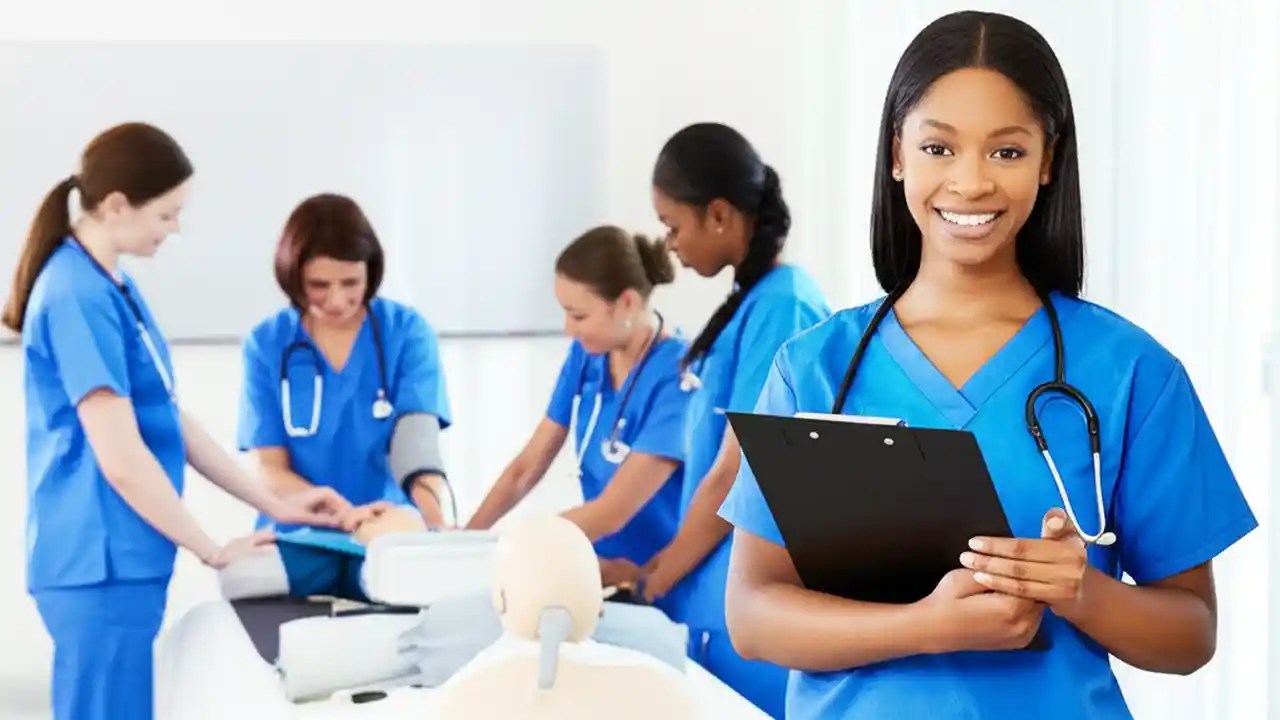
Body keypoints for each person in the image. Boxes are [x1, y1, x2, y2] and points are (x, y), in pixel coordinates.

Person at [717, 11, 1260, 720]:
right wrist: (929, 626)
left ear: (1048, 159)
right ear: (897, 154)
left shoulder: (1132, 372)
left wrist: (1083, 594)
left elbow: (1192, 634)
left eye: (1005, 152)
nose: (970, 183)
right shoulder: (815, 367)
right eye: (939, 147)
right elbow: (753, 615)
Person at [3, 122, 344, 720]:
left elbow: (169, 422)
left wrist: (277, 502)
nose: (175, 229)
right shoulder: (76, 293)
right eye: (166, 214)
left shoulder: (113, 287)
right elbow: (122, 458)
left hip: (124, 559)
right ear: (115, 206)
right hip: (97, 561)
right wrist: (211, 549)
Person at [638, 122, 832, 719]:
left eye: (674, 227)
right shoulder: (751, 304)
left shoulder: (785, 303)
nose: (668, 244)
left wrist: (655, 578)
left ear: (719, 215)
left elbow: (735, 471)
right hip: (712, 597)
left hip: (756, 598)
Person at [230, 192, 453, 601]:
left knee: (412, 596)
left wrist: (436, 524)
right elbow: (271, 470)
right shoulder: (267, 344)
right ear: (292, 277)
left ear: (371, 272)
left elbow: (416, 447)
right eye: (319, 285)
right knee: (240, 580)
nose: (336, 300)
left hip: (384, 530)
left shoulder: (405, 332)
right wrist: (340, 514)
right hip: (299, 531)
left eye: (351, 283)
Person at [467, 225, 691, 616]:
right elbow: (527, 467)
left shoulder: (679, 376)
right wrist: (468, 542)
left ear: (625, 303)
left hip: (661, 583)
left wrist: (517, 548)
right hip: (599, 576)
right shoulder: (588, 354)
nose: (568, 328)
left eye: (578, 314)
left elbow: (613, 511)